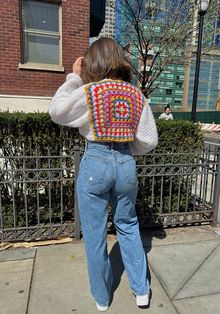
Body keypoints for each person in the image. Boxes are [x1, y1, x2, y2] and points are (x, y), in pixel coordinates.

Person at [49, 37, 158, 312]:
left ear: (93, 62)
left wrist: (74, 77)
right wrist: (124, 148)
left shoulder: (91, 91)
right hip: (125, 164)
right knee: (129, 225)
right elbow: (149, 140)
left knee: (95, 234)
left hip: (94, 163)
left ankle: (102, 297)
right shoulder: (136, 95)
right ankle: (142, 292)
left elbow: (57, 111)